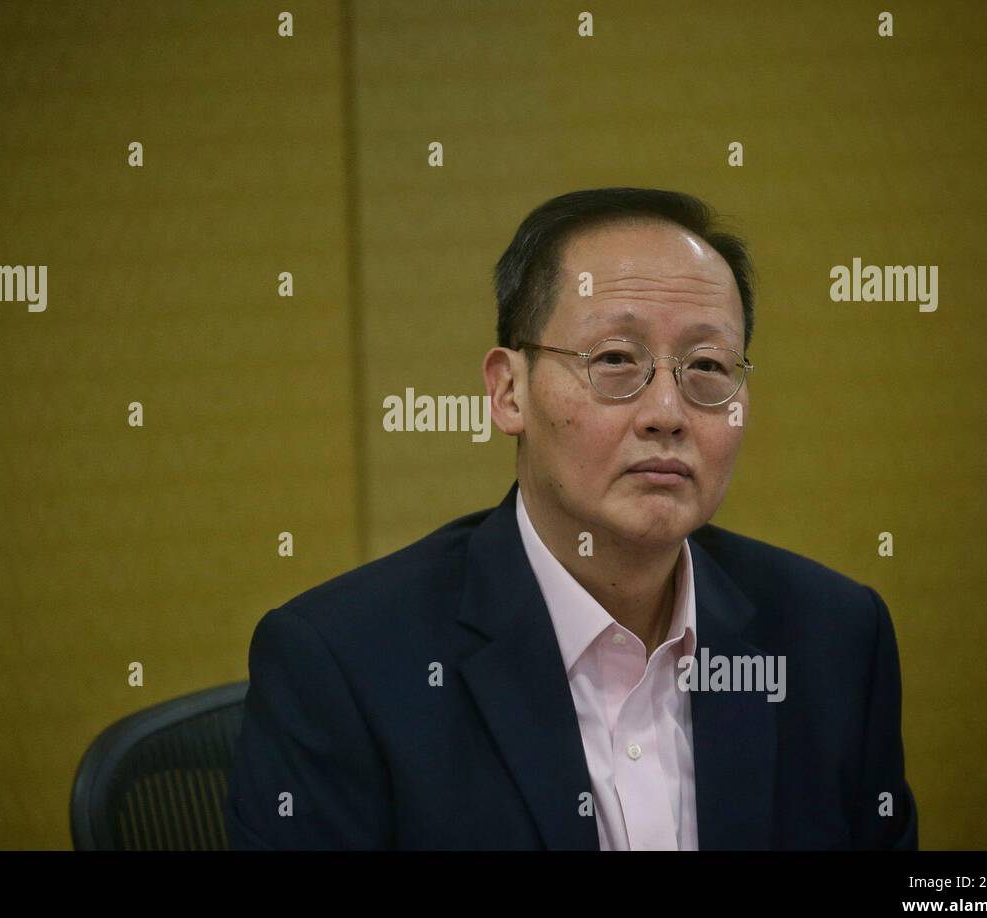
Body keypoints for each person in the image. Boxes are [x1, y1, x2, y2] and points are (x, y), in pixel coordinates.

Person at [222, 186, 918, 850]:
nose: (667, 414)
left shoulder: (833, 641)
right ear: (508, 392)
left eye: (708, 367)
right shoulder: (344, 667)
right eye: (615, 360)